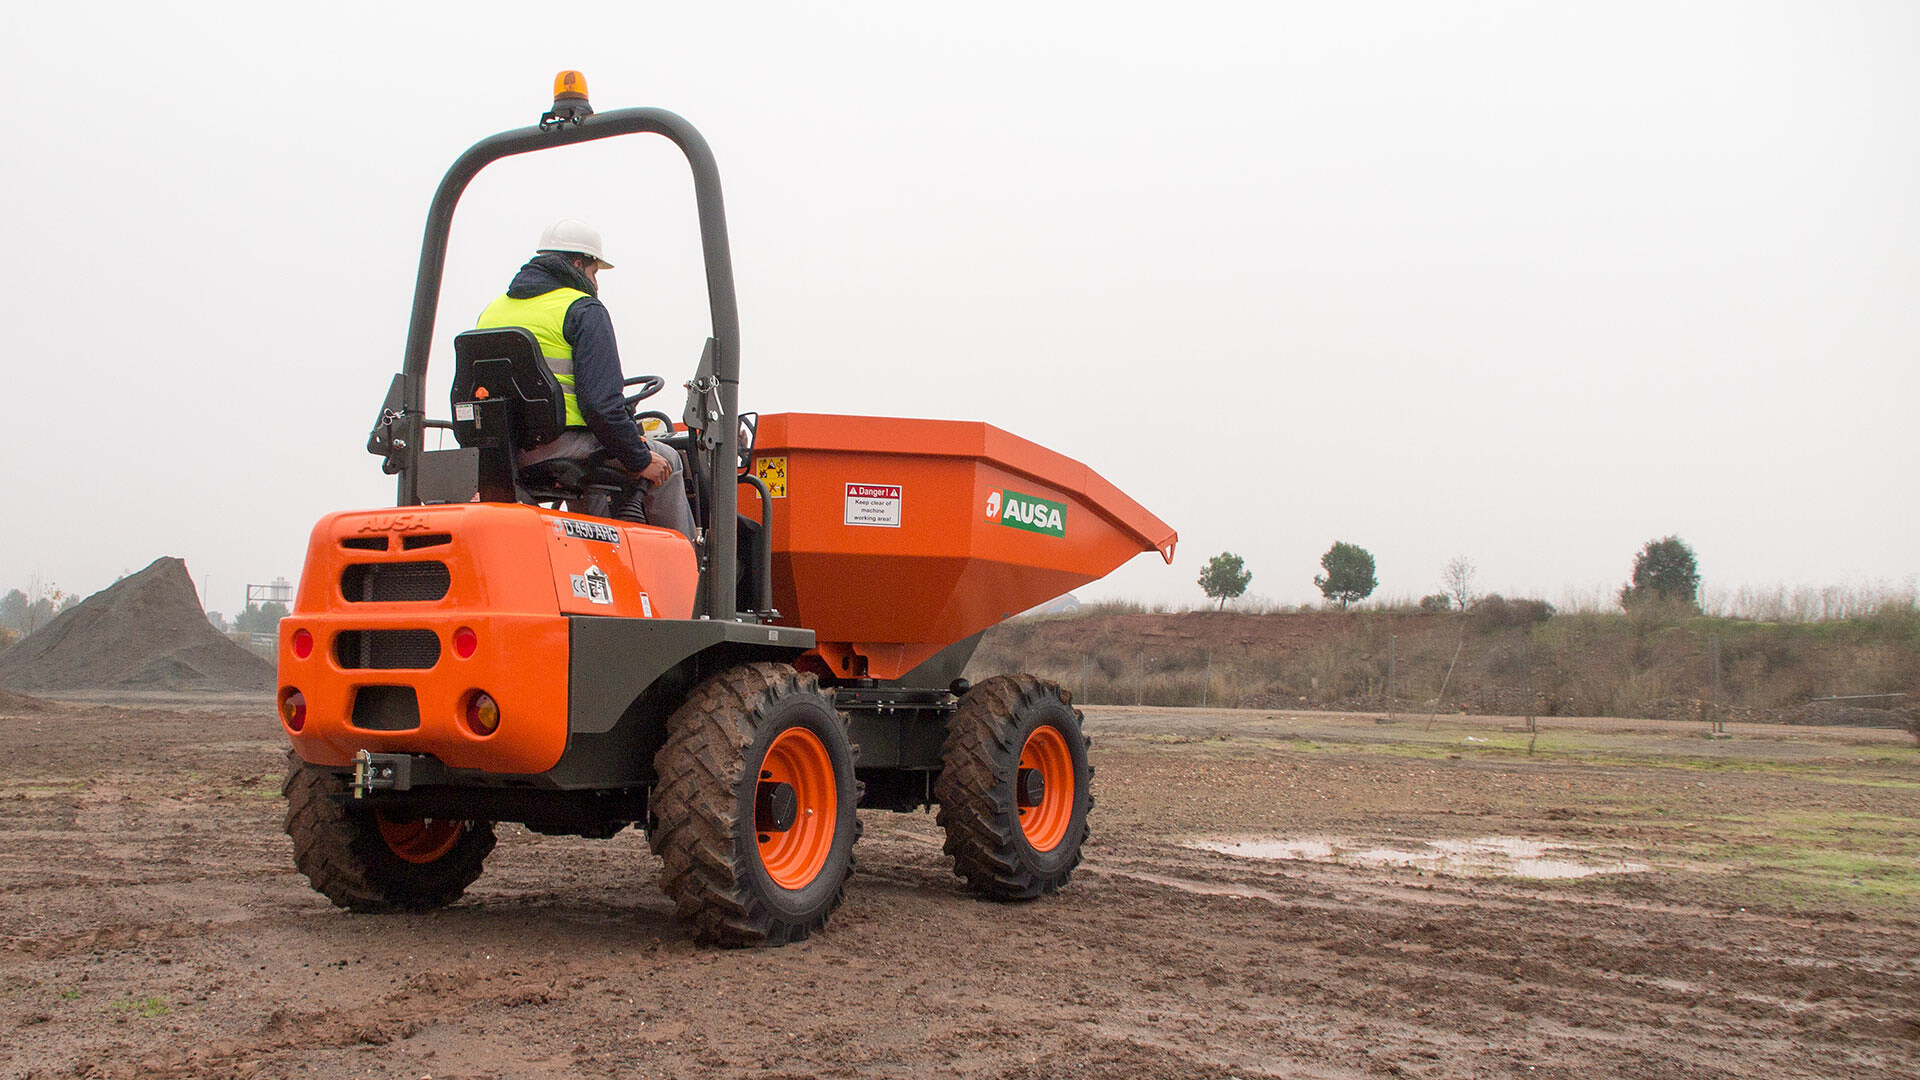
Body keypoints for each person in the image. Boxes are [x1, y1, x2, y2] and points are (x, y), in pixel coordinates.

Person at [476, 218, 693, 537]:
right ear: (578, 265)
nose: (596, 283)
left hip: (500, 451)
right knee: (668, 461)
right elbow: (601, 407)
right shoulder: (583, 310)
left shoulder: (492, 311)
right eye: (593, 273)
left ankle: (596, 562)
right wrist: (638, 458)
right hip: (561, 444)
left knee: (595, 473)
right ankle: (688, 573)